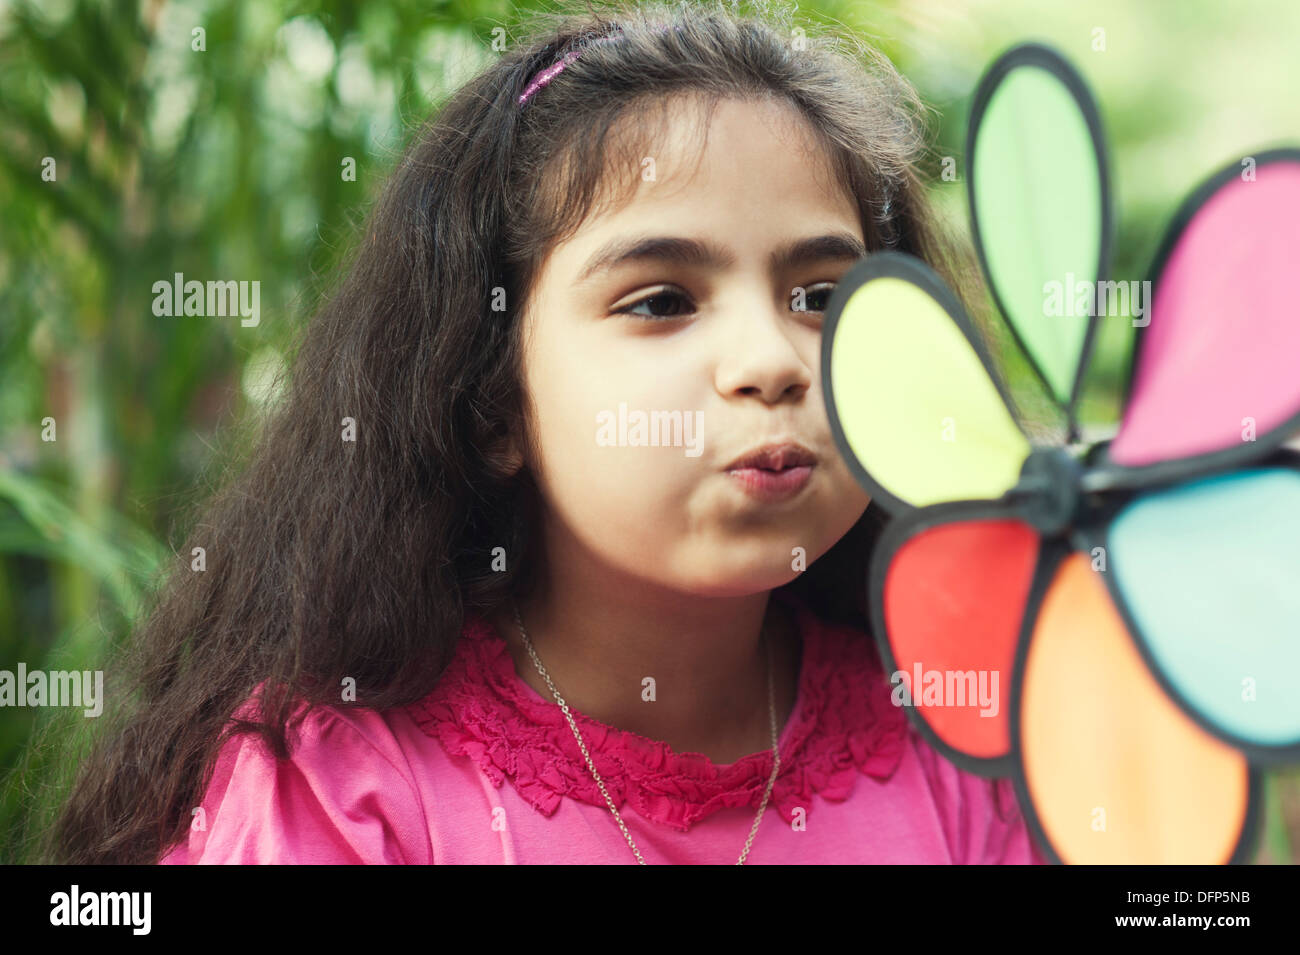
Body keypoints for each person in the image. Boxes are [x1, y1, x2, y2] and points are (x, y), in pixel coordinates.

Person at [51, 0, 1043, 864]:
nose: (773, 358)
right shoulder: (346, 792)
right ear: (495, 401)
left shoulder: (962, 750)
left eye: (822, 293)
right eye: (659, 300)